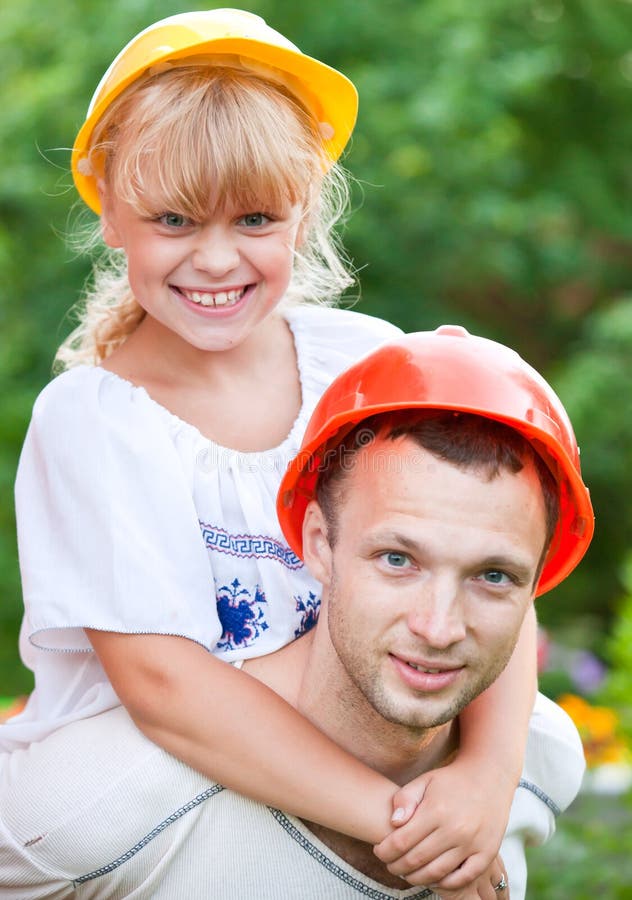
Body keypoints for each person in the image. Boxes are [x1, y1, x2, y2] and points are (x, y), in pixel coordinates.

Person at [0, 8, 572, 893]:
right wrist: (410, 831)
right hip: (167, 778)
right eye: (176, 220)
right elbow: (166, 692)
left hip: (349, 724)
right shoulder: (96, 420)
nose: (217, 260)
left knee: (541, 738)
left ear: (305, 207)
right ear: (111, 211)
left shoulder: (365, 359)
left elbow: (491, 556)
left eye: (257, 218)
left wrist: (481, 783)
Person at [0, 327, 593, 899]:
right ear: (316, 545)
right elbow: (158, 683)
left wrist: (489, 775)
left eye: (493, 576)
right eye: (396, 559)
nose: (438, 628)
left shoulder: (537, 757)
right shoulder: (94, 806)